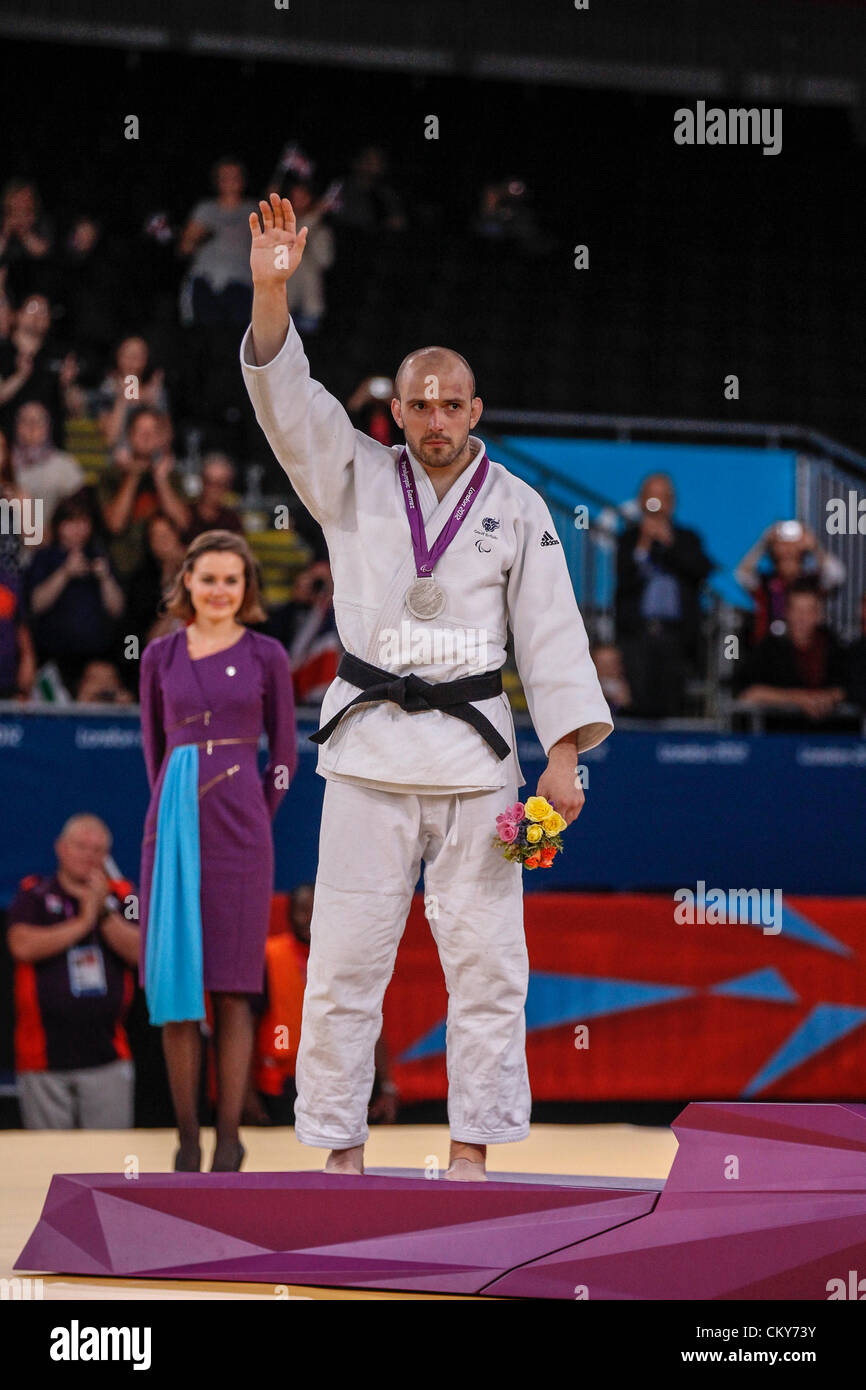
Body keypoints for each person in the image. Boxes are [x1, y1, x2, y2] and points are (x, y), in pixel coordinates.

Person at [241, 194, 612, 1180]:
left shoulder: (518, 505)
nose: (436, 417)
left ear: (474, 409)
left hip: (479, 758)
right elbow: (287, 404)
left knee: (487, 970)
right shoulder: (352, 475)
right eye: (420, 403)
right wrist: (270, 292)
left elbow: (549, 635)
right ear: (394, 410)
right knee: (342, 967)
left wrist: (564, 753)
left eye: (453, 402)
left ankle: (471, 1155)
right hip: (366, 751)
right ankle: (336, 1154)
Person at [138, 529, 297, 1171]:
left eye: (232, 580)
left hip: (242, 830)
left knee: (234, 986)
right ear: (188, 585)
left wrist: (259, 811)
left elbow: (284, 753)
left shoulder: (268, 655)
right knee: (176, 983)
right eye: (208, 579)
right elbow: (154, 749)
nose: (220, 590)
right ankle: (184, 1140)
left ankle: (229, 1139)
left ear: (247, 588)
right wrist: (172, 810)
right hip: (172, 821)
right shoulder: (158, 656)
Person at [6, 814, 140, 1129]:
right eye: (81, 847)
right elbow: (21, 946)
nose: (89, 856)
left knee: (109, 1161)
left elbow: (139, 953)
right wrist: (82, 922)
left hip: (107, 1057)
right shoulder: (34, 892)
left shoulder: (124, 896)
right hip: (43, 1058)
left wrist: (102, 910)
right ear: (61, 849)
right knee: (50, 1161)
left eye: (98, 850)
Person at [615, 472, 712, 717]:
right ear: (641, 501)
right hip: (638, 634)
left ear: (672, 502)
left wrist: (669, 543)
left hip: (677, 637)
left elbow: (700, 570)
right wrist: (644, 544)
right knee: (638, 704)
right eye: (651, 498)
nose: (657, 505)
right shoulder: (628, 539)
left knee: (672, 706)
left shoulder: (687, 538)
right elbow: (624, 580)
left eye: (663, 498)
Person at [25, 495, 125, 692]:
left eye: (83, 522)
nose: (78, 528)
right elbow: (35, 605)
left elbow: (117, 610)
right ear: (59, 525)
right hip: (51, 659)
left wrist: (105, 579)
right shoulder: (44, 558)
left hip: (96, 658)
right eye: (71, 522)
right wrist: (64, 573)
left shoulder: (99, 556)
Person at [735, 579, 849, 727]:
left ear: (820, 615)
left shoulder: (833, 646)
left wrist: (830, 697)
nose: (802, 618)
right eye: (797, 610)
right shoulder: (769, 649)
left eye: (809, 611)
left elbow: (849, 686)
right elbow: (749, 692)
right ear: (787, 613)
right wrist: (797, 699)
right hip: (780, 736)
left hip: (828, 740)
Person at [98, 405, 191, 580]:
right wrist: (132, 475)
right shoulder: (111, 475)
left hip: (166, 569)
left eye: (153, 431)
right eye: (140, 430)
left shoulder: (171, 475)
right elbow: (115, 524)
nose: (147, 436)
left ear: (161, 438)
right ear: (129, 436)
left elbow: (183, 523)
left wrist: (161, 480)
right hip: (124, 569)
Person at [735, 520, 846, 645]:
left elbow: (836, 575)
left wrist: (815, 546)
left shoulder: (812, 581)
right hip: (770, 651)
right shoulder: (766, 582)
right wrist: (764, 543)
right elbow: (742, 574)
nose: (788, 549)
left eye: (793, 544)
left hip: (807, 650)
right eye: (782, 544)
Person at [9, 399, 84, 531]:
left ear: (48, 427)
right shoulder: (4, 462)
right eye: (25, 421)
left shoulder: (65, 465)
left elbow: (77, 514)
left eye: (38, 421)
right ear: (16, 426)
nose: (31, 427)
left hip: (51, 544)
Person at [95, 335, 168, 449]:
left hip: (152, 456)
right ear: (118, 357)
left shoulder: (155, 390)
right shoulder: (108, 389)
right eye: (128, 355)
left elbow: (166, 438)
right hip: (120, 457)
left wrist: (152, 405)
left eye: (138, 355)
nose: (133, 360)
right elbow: (110, 439)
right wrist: (122, 399)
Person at [183, 451, 245, 542]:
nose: (215, 490)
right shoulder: (186, 513)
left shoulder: (232, 521)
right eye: (210, 483)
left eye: (221, 484)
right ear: (202, 482)